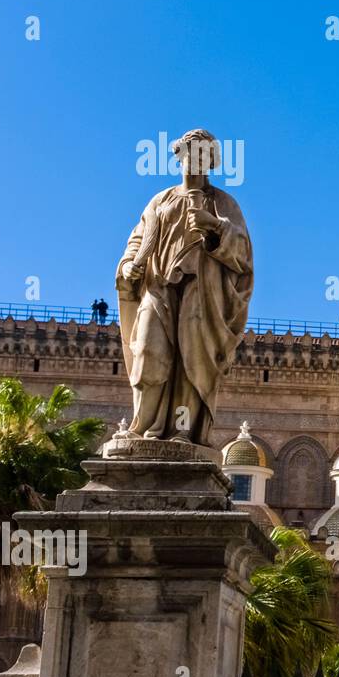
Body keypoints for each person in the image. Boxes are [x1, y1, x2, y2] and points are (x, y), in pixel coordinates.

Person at [116, 129, 253, 445]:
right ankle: (143, 425)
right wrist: (127, 266)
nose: (196, 159)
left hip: (201, 292)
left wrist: (215, 225)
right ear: (180, 155)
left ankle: (181, 431)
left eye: (204, 153)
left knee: (193, 362)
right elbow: (139, 238)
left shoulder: (222, 203)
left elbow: (243, 253)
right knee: (149, 351)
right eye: (191, 152)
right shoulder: (160, 200)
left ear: (212, 161)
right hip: (158, 287)